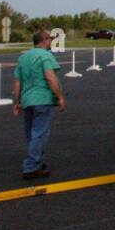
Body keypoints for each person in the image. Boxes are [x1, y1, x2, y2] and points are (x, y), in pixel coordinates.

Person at [11, 29, 67, 179]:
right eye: (50, 39)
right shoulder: (45, 56)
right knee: (40, 134)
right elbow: (50, 77)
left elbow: (17, 81)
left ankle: (38, 161)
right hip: (42, 99)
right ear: (45, 40)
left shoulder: (23, 57)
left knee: (32, 134)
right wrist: (60, 96)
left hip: (27, 100)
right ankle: (31, 166)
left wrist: (17, 102)